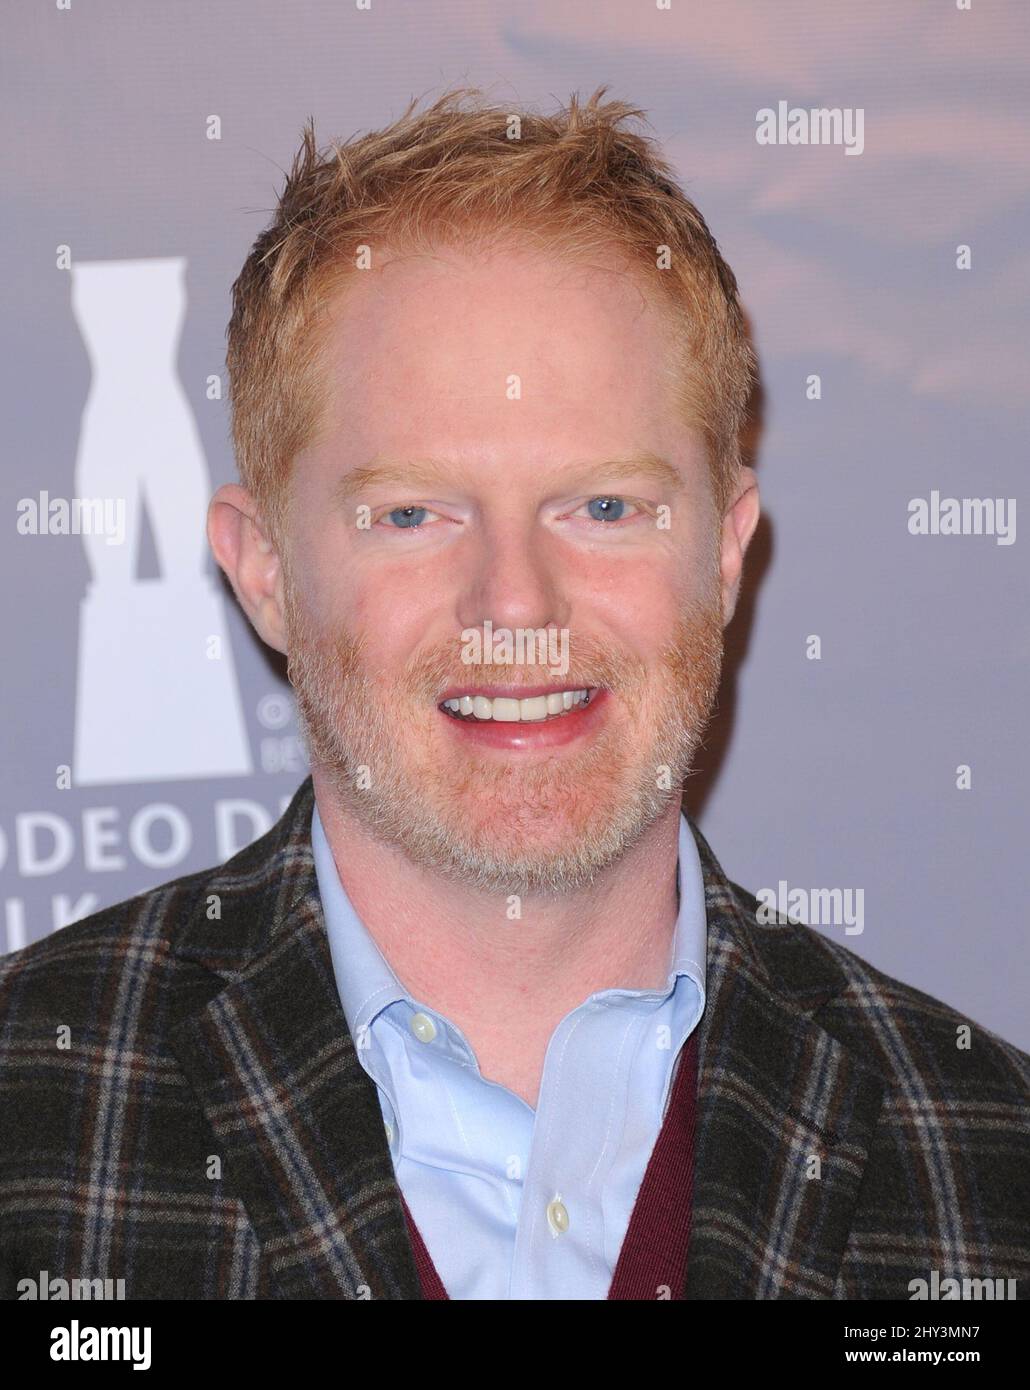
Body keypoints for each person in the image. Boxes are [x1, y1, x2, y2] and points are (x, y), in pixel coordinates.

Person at [2, 89, 1027, 1301]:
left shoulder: (987, 1158)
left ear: (724, 552)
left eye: (602, 507)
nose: (516, 604)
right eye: (412, 514)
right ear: (264, 569)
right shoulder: (31, 1112)